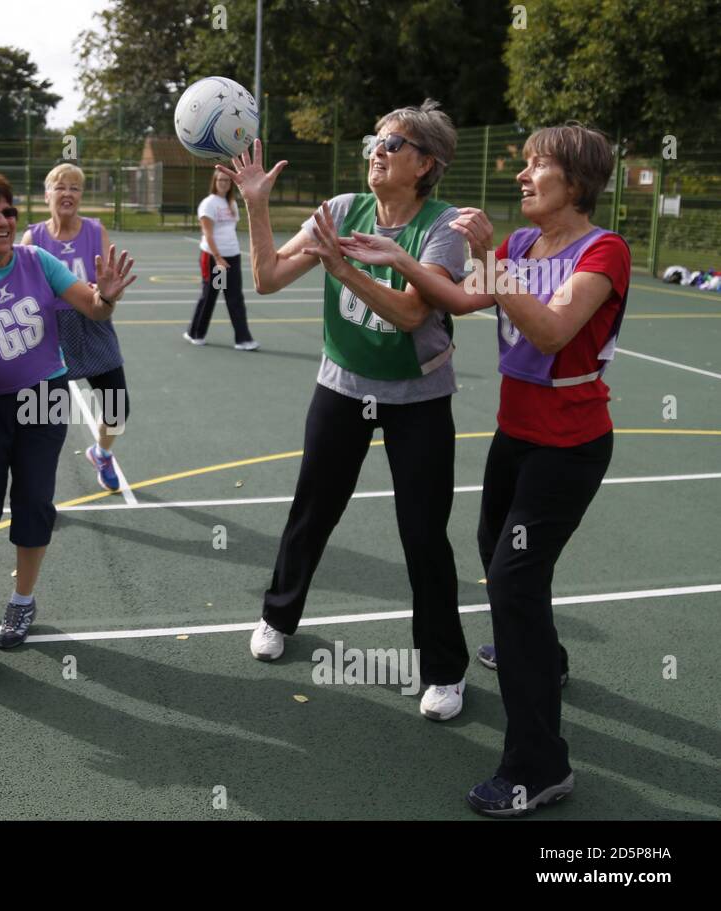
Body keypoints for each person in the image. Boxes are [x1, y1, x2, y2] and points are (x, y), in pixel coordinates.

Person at [340, 123, 629, 816]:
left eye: (539, 167)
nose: (523, 176)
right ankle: (547, 657)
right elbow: (466, 300)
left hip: (569, 444)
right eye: (524, 165)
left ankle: (539, 766)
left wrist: (489, 257)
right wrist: (396, 257)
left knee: (512, 578)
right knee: (495, 548)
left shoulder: (606, 251)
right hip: (517, 434)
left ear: (578, 183)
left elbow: (553, 330)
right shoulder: (523, 245)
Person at [219, 100, 471, 720]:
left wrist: (340, 267)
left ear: (425, 163)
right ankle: (278, 615)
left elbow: (413, 312)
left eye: (393, 143)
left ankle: (443, 669)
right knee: (312, 510)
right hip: (343, 387)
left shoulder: (444, 230)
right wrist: (255, 203)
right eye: (376, 140)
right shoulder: (340, 210)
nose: (377, 152)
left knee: (423, 534)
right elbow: (270, 277)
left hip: (417, 398)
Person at [0, 171, 135, 648]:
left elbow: (93, 309)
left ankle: (22, 601)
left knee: (34, 502)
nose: (4, 221)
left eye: (8, 211)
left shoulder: (37, 260)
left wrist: (106, 294)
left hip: (44, 396)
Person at [20, 163, 131, 493]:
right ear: (46, 195)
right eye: (60, 186)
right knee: (43, 419)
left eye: (75, 188)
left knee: (117, 408)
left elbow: (111, 286)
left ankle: (102, 452)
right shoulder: (33, 237)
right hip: (49, 334)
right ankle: (37, 490)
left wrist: (113, 292)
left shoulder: (95, 231)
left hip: (92, 325)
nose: (67, 193)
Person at [184, 168, 257, 350]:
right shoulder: (209, 204)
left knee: (235, 297)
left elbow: (229, 230)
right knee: (210, 295)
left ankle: (243, 339)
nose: (224, 183)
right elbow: (208, 234)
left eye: (227, 180)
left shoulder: (231, 203)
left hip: (232, 256)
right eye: (220, 180)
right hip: (215, 258)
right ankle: (196, 333)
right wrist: (217, 258)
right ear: (214, 182)